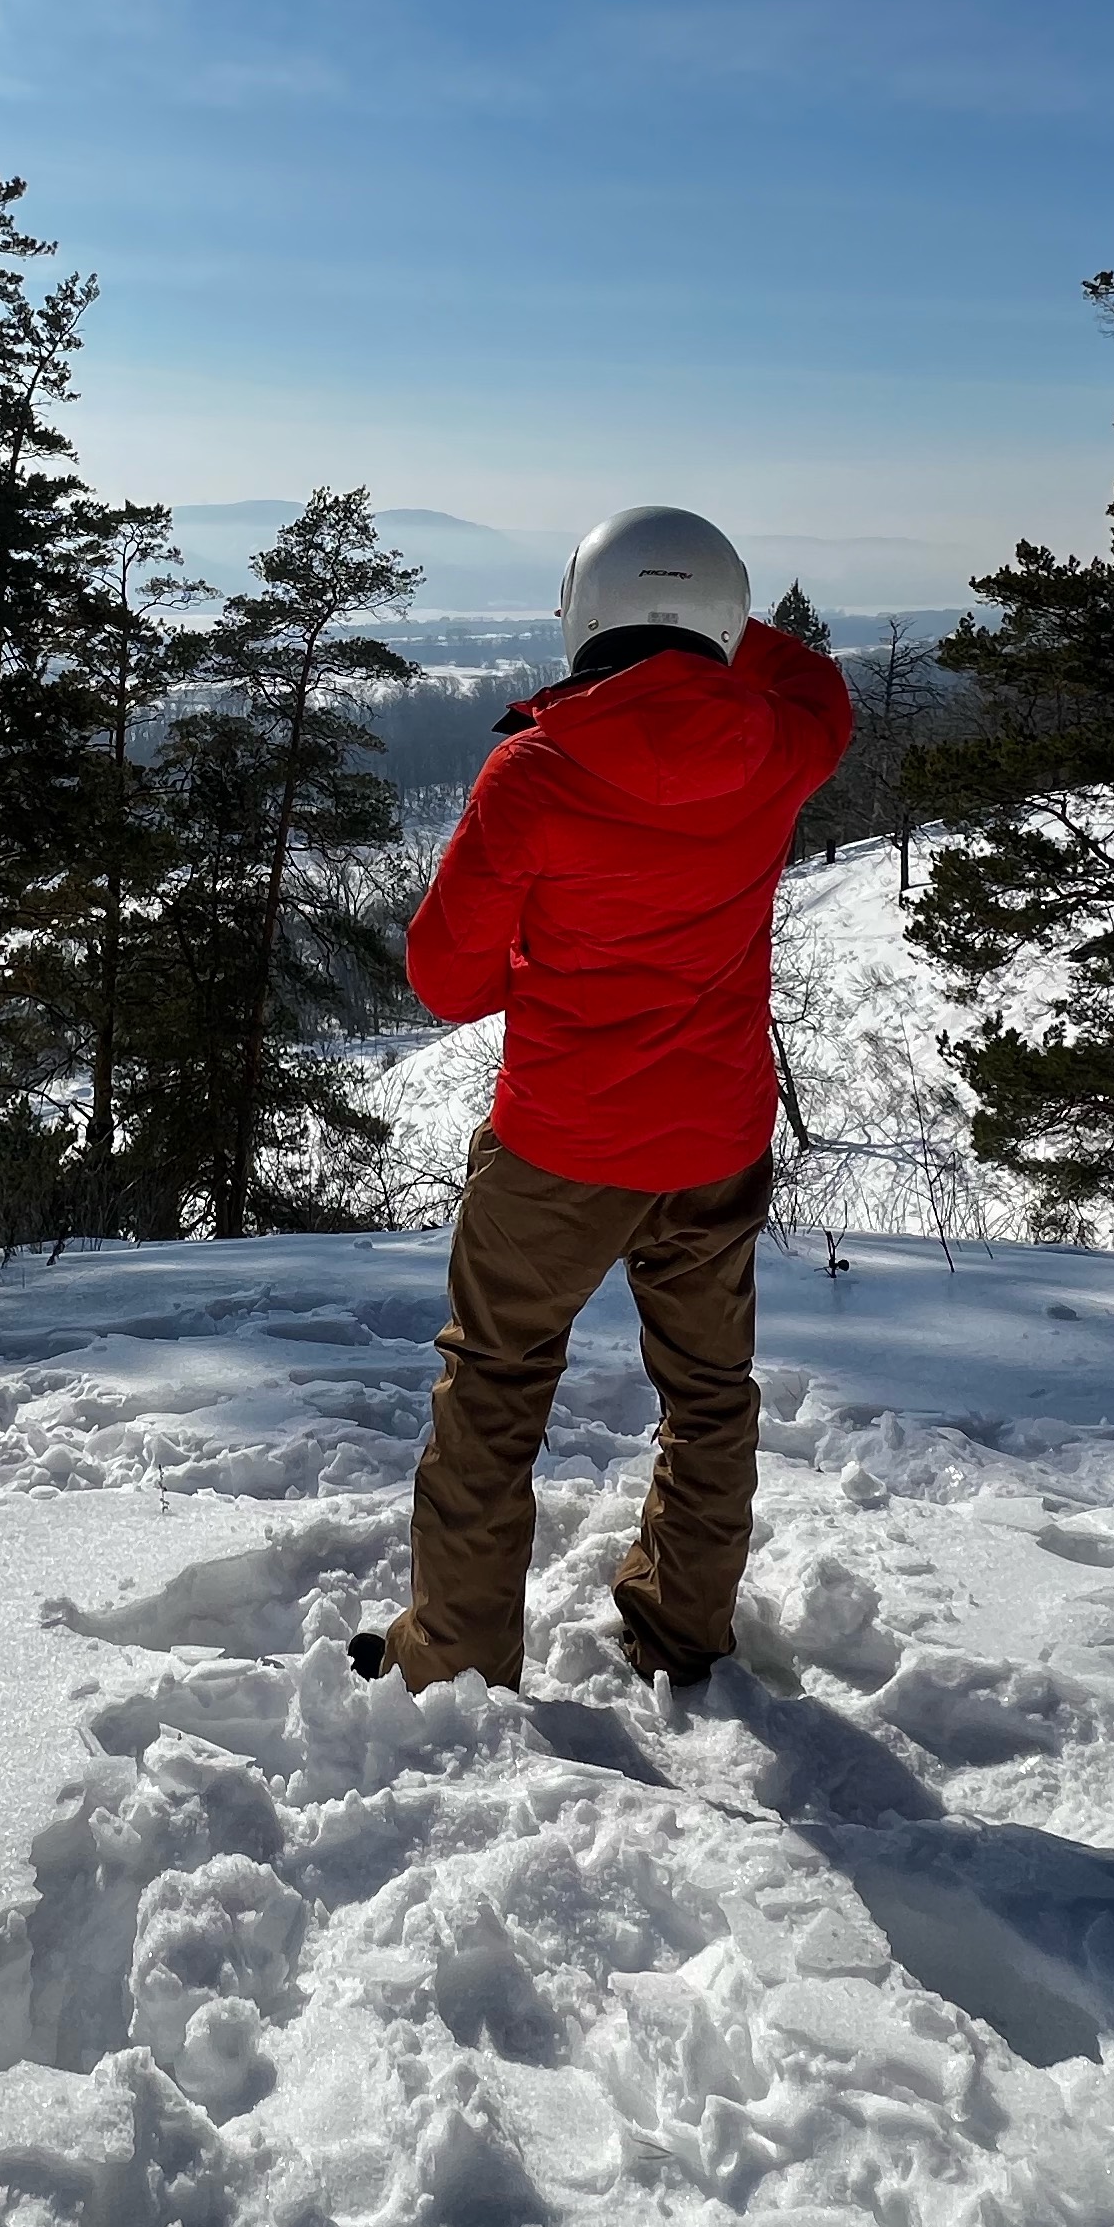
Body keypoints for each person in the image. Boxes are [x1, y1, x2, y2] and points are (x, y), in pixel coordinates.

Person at [353, 505, 852, 1698]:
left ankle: (459, 1654)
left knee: (494, 1386)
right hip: (719, 1136)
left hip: (560, 1147)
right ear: (729, 620)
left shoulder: (537, 770)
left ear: (579, 610)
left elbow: (442, 978)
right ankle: (683, 1630)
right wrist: (730, 625)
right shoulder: (784, 743)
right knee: (710, 1395)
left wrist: (538, 967)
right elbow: (814, 680)